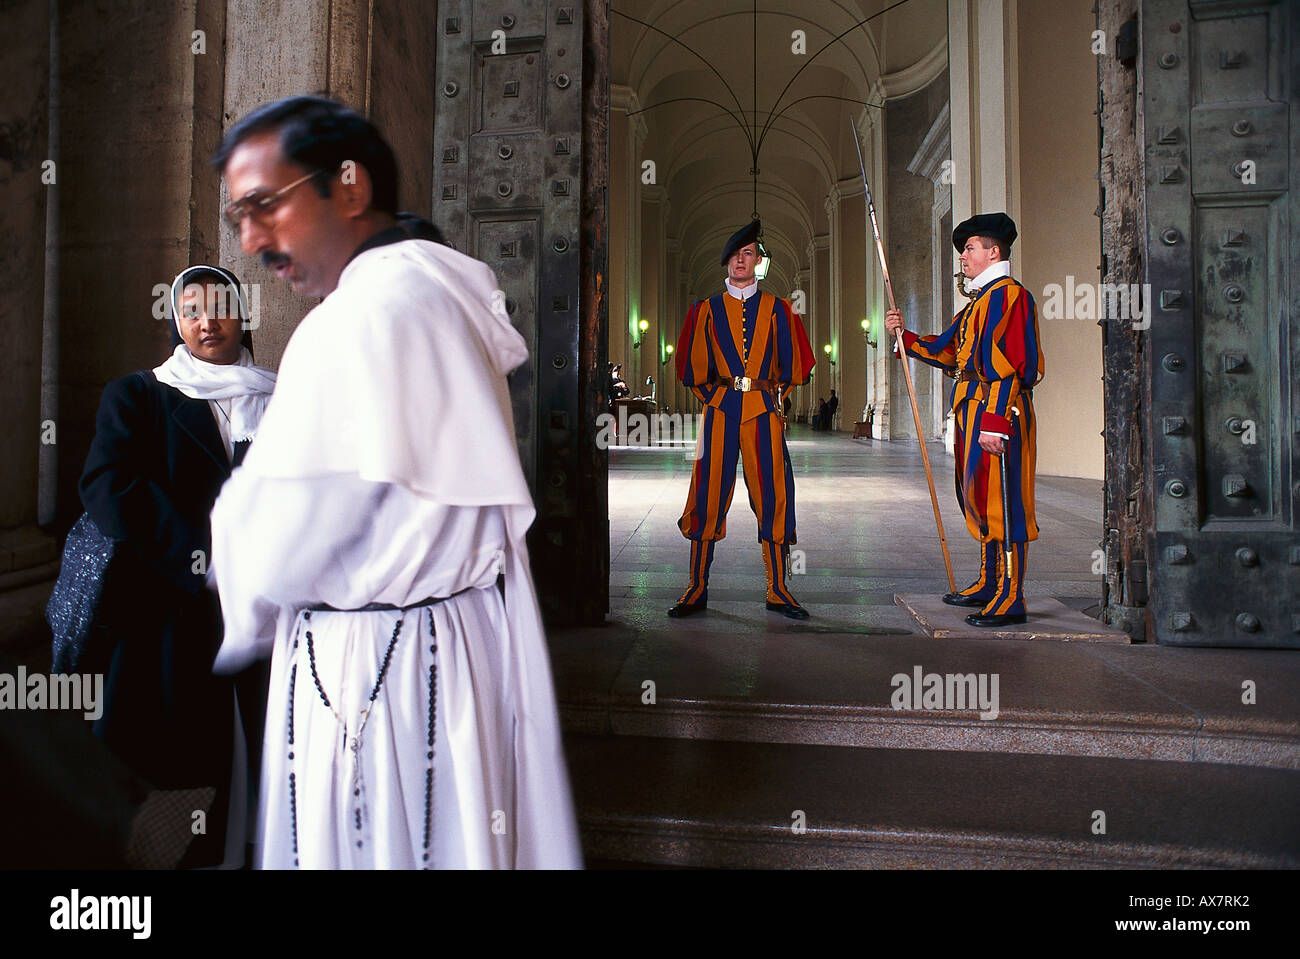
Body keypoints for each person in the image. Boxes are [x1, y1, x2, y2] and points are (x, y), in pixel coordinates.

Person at [206, 95, 581, 868]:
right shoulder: (435, 294)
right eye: (239, 216)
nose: (250, 239)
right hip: (448, 648)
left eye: (263, 205)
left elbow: (277, 542)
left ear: (349, 185)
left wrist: (235, 531)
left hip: (380, 667)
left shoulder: (355, 320)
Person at [77, 264, 276, 866]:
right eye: (190, 311)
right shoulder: (139, 395)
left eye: (219, 307)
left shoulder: (283, 399)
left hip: (269, 610)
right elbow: (108, 488)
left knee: (261, 763)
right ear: (175, 320)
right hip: (170, 617)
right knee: (181, 773)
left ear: (244, 315)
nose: (206, 322)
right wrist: (204, 556)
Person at [885, 212, 1043, 627]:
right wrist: (905, 336)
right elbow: (947, 350)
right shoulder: (978, 303)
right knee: (978, 497)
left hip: (998, 412)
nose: (963, 257)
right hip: (973, 410)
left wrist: (995, 421)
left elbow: (1015, 366)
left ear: (994, 252)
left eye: (969, 249)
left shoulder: (1010, 297)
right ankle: (990, 583)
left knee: (1005, 503)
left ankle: (1011, 596)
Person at [669, 219, 815, 620]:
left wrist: (773, 399)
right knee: (706, 492)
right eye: (734, 254)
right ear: (726, 263)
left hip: (763, 411)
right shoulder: (705, 310)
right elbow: (690, 367)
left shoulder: (779, 309)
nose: (740, 260)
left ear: (758, 261)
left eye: (748, 253)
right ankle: (696, 586)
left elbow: (793, 364)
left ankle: (778, 587)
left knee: (774, 491)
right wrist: (714, 397)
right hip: (719, 409)